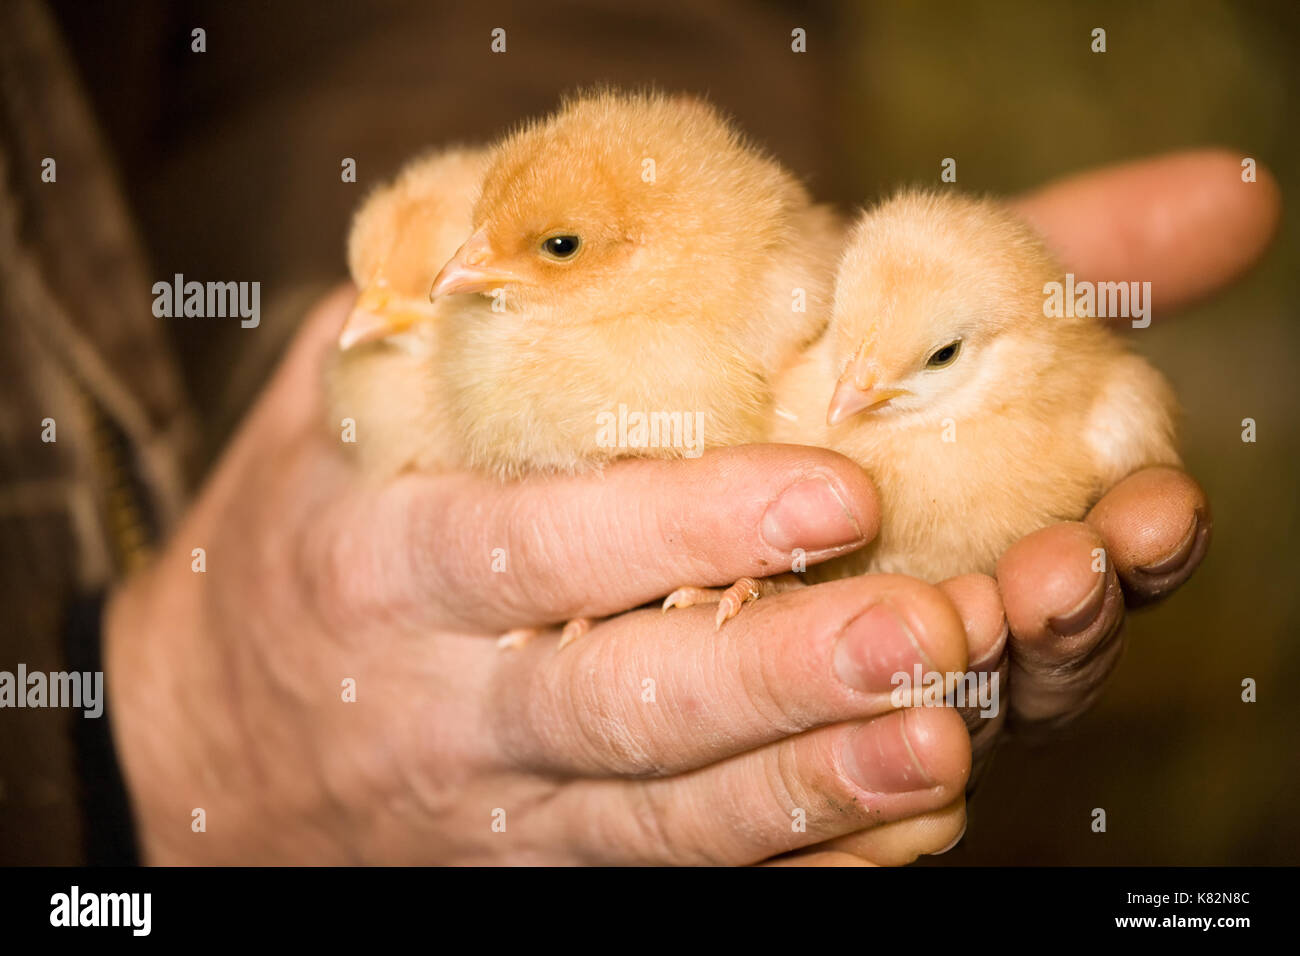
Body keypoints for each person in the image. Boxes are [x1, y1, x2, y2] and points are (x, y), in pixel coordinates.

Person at [1, 0, 1278, 865]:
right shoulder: (547, 323)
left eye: (540, 248)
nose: (834, 390)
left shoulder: (786, 310)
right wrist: (114, 742)